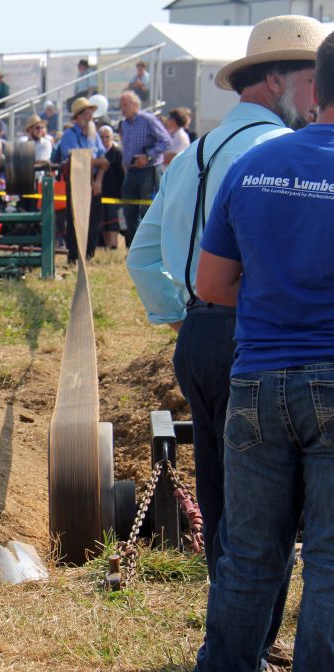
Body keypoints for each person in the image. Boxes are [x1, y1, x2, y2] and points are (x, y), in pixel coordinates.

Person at [126, 16, 325, 669]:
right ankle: (268, 649)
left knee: (232, 516)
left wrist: (188, 315)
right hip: (279, 344)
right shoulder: (279, 150)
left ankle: (236, 650)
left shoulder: (200, 153)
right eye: (308, 77)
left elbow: (148, 258)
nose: (313, 92)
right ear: (278, 81)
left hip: (212, 340)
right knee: (292, 527)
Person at [193, 27, 334, 671]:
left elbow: (212, 285)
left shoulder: (252, 166)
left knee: (249, 554)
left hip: (255, 381)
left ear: (316, 88)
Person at [57, 98, 108, 264]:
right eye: (87, 113)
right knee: (75, 221)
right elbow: (77, 160)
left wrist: (98, 181)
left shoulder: (94, 135)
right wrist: (94, 162)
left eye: (91, 113)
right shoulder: (69, 136)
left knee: (94, 220)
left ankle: (89, 256)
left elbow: (104, 162)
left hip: (95, 184)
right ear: (79, 116)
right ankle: (74, 257)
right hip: (77, 182)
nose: (91, 116)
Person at [118, 90, 170, 248]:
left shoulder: (148, 120)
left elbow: (166, 141)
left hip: (148, 170)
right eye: (120, 105)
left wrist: (148, 156)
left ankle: (150, 248)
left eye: (125, 105)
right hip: (131, 172)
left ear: (135, 105)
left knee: (148, 211)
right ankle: (133, 248)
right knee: (129, 211)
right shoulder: (124, 124)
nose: (122, 109)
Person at [97, 125, 123, 250]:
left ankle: (113, 245)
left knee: (113, 220)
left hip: (114, 192)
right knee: (102, 220)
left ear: (112, 137)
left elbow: (122, 173)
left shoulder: (118, 153)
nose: (104, 140)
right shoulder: (97, 153)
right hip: (100, 192)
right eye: (101, 137)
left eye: (107, 137)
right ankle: (106, 247)